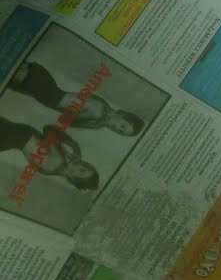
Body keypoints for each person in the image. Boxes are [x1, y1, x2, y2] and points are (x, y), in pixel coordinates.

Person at [8, 61, 145, 137]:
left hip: (44, 87)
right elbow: (66, 120)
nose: (117, 128)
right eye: (122, 126)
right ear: (123, 116)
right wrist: (93, 125)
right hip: (43, 88)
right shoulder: (99, 113)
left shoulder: (105, 107)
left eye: (120, 132)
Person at [0, 117, 100, 191]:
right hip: (10, 134)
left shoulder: (58, 161)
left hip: (10, 133)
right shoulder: (51, 171)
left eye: (82, 170)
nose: (82, 164)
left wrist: (75, 146)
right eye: (87, 165)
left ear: (74, 179)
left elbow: (48, 129)